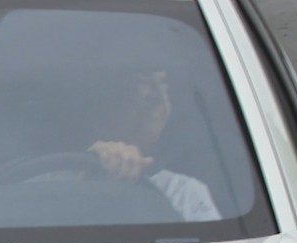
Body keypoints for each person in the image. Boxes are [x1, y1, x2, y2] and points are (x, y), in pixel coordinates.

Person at [85, 69, 222, 222]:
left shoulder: (184, 192)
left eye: (164, 86)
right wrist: (89, 169)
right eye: (141, 83)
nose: (159, 98)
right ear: (103, 105)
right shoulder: (58, 178)